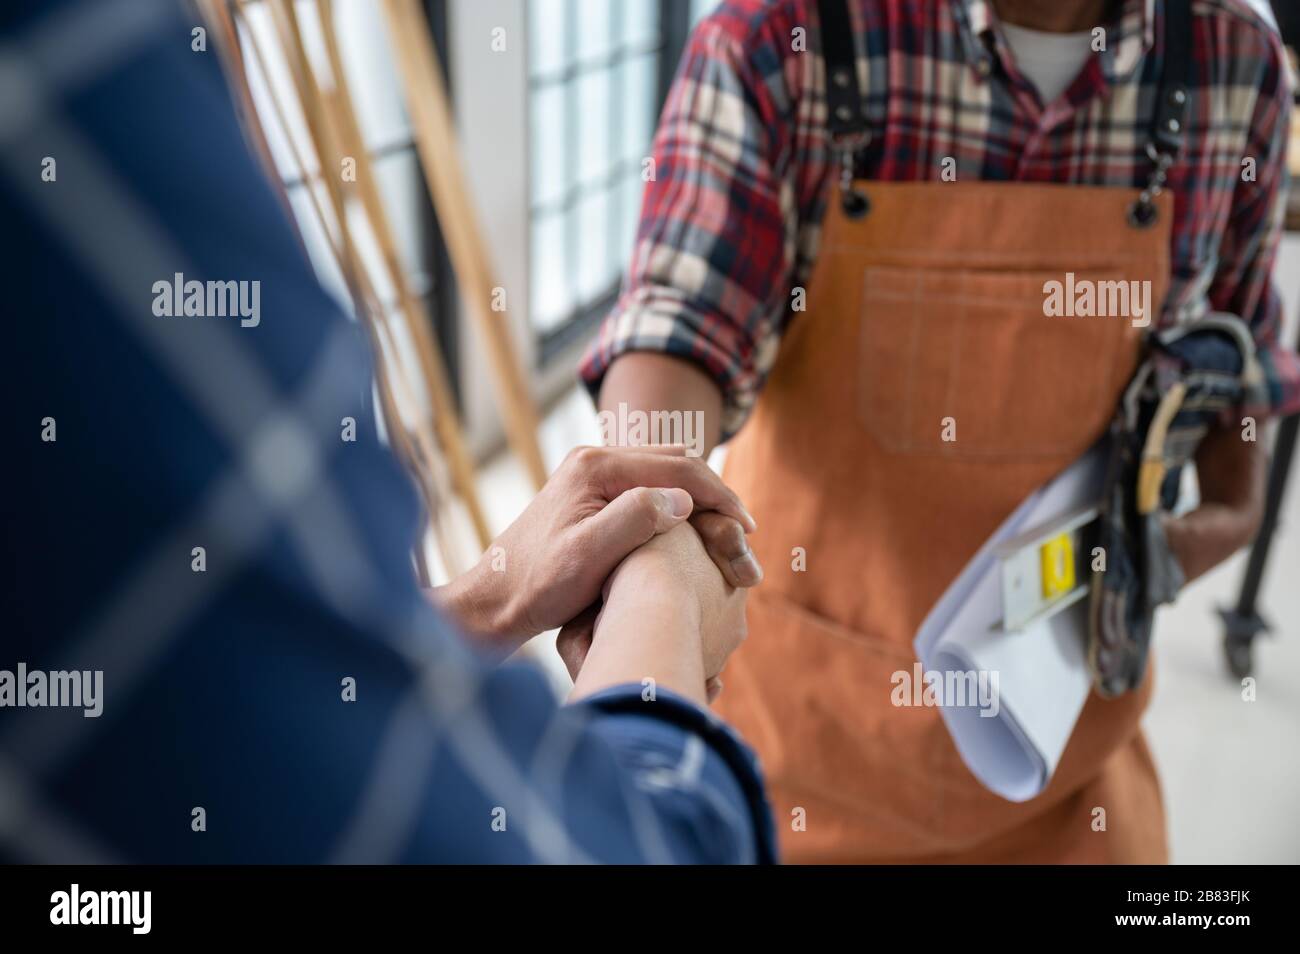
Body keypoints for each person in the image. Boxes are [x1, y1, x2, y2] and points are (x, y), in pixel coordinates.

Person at [0, 0, 773, 864]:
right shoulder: (65, 79)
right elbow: (614, 846)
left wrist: (495, 592)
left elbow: (242, 690)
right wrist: (659, 585)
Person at [581, 0, 1300, 862]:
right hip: (798, 751)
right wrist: (651, 550)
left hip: (1066, 758)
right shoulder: (788, 40)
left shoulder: (1235, 64)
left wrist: (1235, 502)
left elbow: (1244, 352)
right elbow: (677, 330)